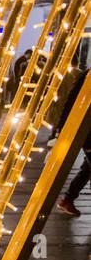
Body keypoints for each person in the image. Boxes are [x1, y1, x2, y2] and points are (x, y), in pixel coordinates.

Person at [53, 63, 91, 217]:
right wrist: (61, 126)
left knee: (87, 168)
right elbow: (71, 100)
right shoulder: (88, 76)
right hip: (86, 131)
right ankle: (67, 200)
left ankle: (67, 200)